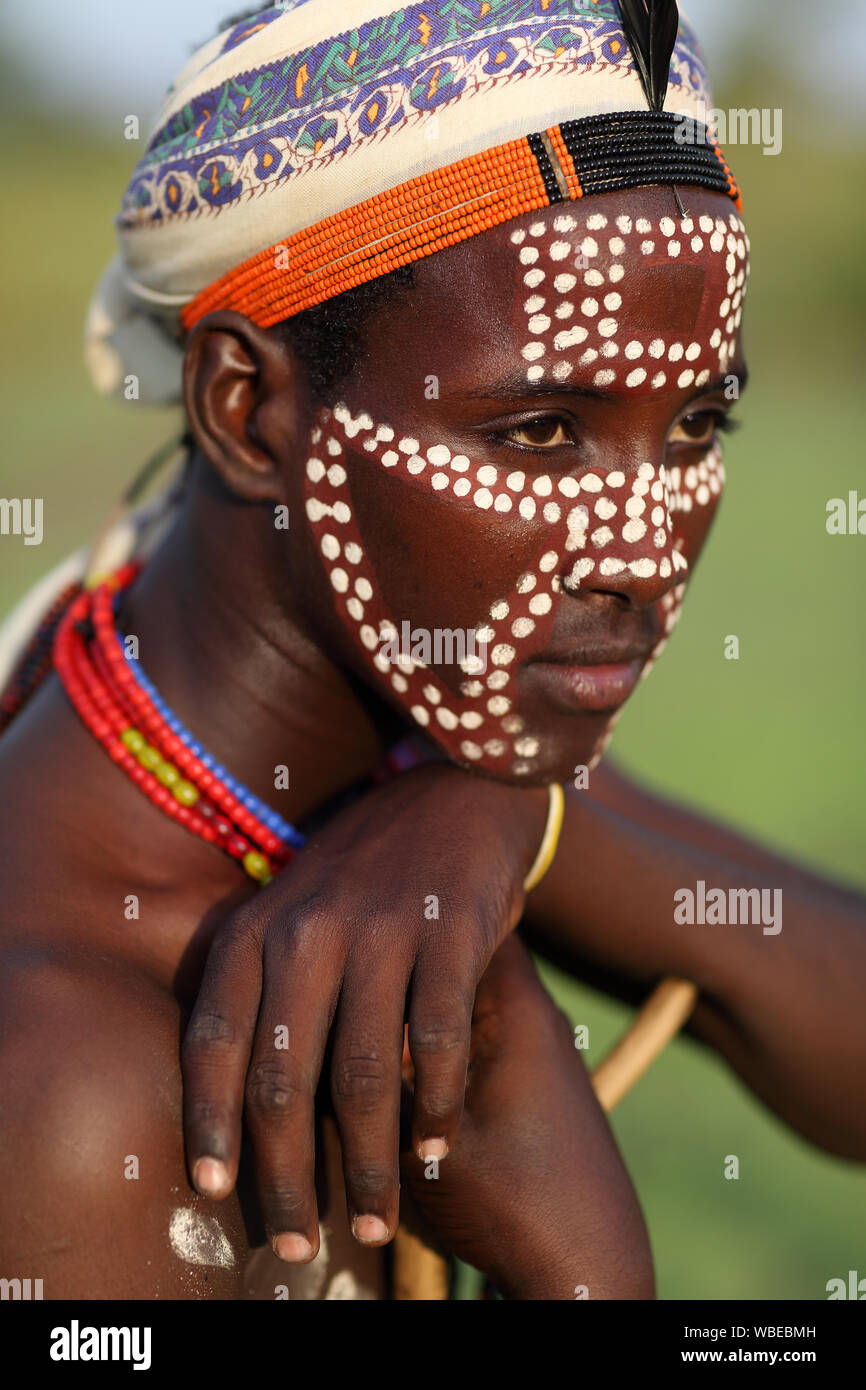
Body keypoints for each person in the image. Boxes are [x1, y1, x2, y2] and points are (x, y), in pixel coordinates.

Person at [0, 0, 863, 1301]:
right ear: (247, 409)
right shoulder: (68, 1085)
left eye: (695, 426)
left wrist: (513, 817)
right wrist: (580, 1271)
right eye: (536, 432)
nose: (638, 550)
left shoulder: (415, 748)